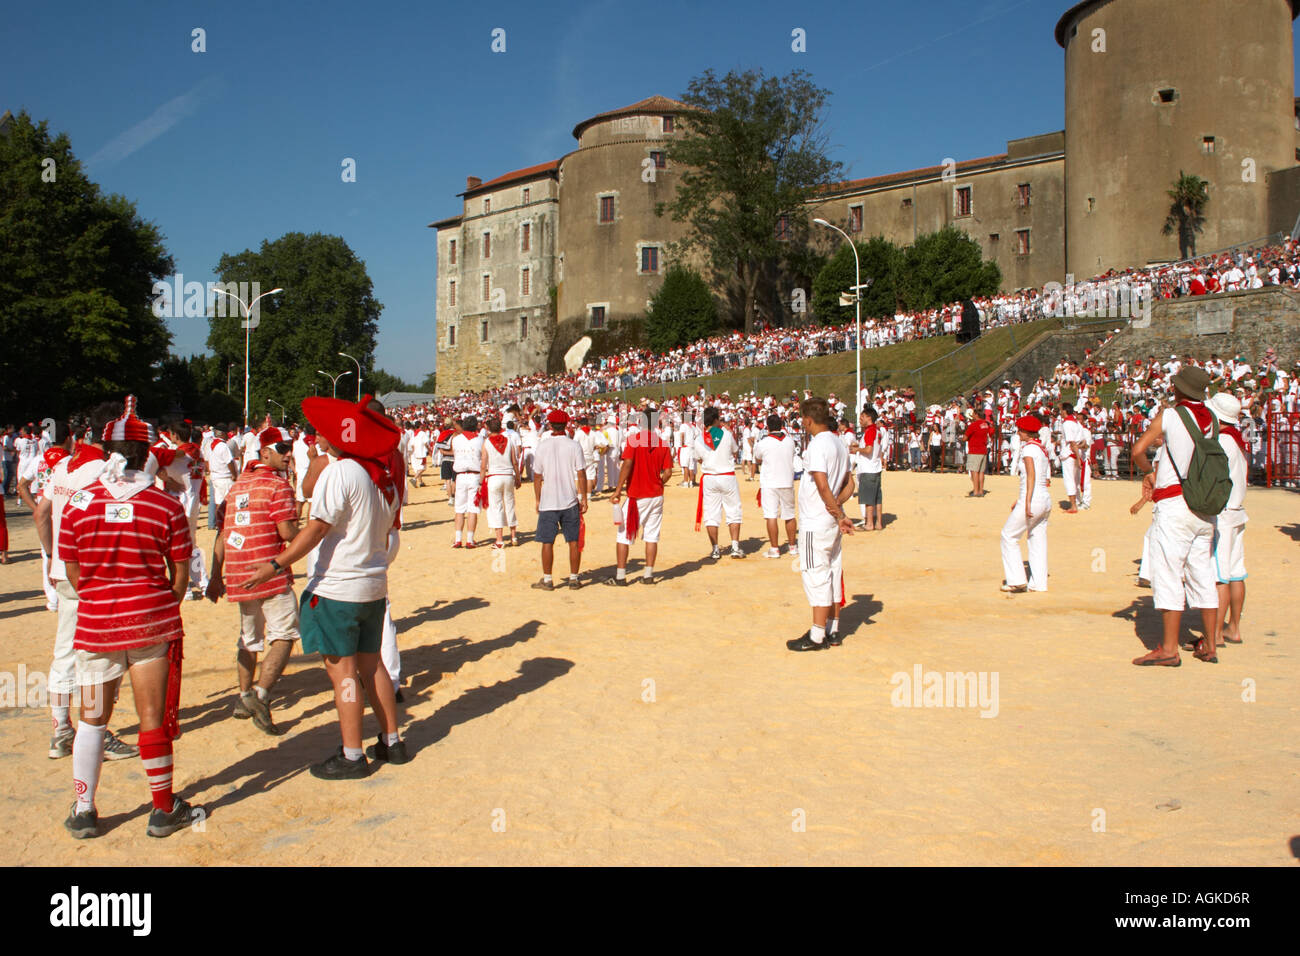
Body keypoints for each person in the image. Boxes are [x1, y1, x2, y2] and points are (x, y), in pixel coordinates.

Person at [241, 394, 407, 777]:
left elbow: (317, 528)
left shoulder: (342, 472)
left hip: (340, 586)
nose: (318, 438)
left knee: (343, 672)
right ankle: (391, 740)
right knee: (373, 665)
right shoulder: (383, 479)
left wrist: (276, 563)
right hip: (372, 584)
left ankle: (352, 754)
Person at [58, 397, 201, 838]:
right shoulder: (164, 506)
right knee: (151, 717)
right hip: (150, 624)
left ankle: (85, 809)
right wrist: (161, 604)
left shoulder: (79, 504)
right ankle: (162, 808)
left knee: (92, 718)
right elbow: (179, 572)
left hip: (97, 625)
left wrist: (102, 598)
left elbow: (73, 569)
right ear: (147, 453)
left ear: (104, 450)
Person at [35, 406, 139, 763]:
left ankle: (62, 730)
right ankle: (94, 731)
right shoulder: (105, 471)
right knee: (96, 657)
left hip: (65, 570)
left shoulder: (64, 465)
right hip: (95, 574)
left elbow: (41, 512)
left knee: (65, 651)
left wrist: (52, 555)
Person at [206, 426, 300, 735]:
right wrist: (308, 535)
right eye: (283, 448)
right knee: (284, 635)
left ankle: (243, 696)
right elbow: (286, 532)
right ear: (265, 453)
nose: (289, 454)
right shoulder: (278, 486)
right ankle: (260, 695)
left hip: (238, 573)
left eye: (290, 448)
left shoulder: (237, 485)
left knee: (248, 638)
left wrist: (215, 576)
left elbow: (222, 534)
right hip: (269, 572)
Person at [1130, 366, 1220, 667]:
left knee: (1168, 572)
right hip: (1204, 507)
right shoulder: (1212, 419)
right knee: (1203, 574)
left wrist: (1149, 473)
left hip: (1175, 504)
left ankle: (1169, 649)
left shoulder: (1171, 415)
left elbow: (1138, 449)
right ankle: (1210, 644)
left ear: (1179, 390)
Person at [787, 397, 855, 652]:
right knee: (833, 572)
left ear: (807, 419)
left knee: (816, 575)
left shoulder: (816, 446)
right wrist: (837, 508)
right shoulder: (839, 442)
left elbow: (822, 484)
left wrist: (836, 512)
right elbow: (850, 483)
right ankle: (833, 628)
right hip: (829, 520)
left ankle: (817, 635)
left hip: (816, 520)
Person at [603, 420, 673, 585]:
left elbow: (627, 464)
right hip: (656, 494)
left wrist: (618, 489)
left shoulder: (634, 440)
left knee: (623, 536)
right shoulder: (662, 443)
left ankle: (620, 576)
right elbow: (668, 472)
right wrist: (659, 483)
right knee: (652, 536)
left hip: (638, 494)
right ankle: (648, 574)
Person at [1207, 392, 1248, 649]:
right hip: (1238, 510)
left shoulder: (1222, 441)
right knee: (1236, 573)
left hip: (1223, 513)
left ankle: (1216, 634)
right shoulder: (1237, 440)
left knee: (1219, 576)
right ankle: (1233, 627)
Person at [531, 409, 588, 590]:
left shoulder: (543, 445)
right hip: (569, 498)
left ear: (550, 425)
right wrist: (584, 497)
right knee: (573, 541)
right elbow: (581, 473)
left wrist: (537, 499)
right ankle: (574, 578)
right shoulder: (573, 445)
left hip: (548, 500)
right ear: (566, 424)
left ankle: (547, 579)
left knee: (547, 542)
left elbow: (538, 475)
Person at [999, 416, 1051, 593]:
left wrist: (1026, 500)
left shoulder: (1029, 449)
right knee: (1037, 539)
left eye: (1020, 430)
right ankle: (1038, 583)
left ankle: (1016, 579)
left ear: (1026, 432)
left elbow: (1030, 476)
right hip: (1044, 498)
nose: (1018, 432)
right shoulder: (1041, 448)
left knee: (1008, 535)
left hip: (1033, 498)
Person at [693, 407, 745, 560]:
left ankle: (715, 549)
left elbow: (699, 458)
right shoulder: (727, 434)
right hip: (727, 475)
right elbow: (735, 451)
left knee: (711, 514)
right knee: (733, 511)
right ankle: (735, 547)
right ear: (716, 420)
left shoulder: (698, 439)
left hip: (710, 476)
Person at [754, 414, 797, 557]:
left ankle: (775, 548)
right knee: (789, 515)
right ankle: (792, 546)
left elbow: (758, 459)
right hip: (786, 480)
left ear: (767, 427)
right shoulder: (790, 441)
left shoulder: (764, 443)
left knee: (771, 515)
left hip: (770, 482)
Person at [480, 416, 521, 548]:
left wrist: (481, 482)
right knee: (510, 504)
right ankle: (514, 536)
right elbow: (514, 461)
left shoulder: (486, 442)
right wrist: (518, 477)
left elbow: (483, 464)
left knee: (496, 507)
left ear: (488, 429)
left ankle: (499, 540)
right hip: (508, 475)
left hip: (494, 476)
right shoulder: (508, 440)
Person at [451, 416, 483, 548]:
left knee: (459, 509)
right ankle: (470, 539)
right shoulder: (480, 440)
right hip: (474, 475)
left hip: (460, 475)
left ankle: (458, 539)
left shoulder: (456, 439)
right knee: (472, 509)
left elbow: (455, 455)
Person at [851, 407, 885, 530]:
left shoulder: (870, 430)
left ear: (869, 417)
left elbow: (868, 450)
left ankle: (869, 523)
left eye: (862, 417)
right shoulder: (877, 431)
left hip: (868, 467)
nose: (860, 420)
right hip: (875, 466)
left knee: (868, 498)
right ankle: (878, 523)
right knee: (877, 497)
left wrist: (857, 449)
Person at [1059, 402, 1086, 513]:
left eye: (1061, 410)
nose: (1060, 412)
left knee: (1069, 479)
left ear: (1065, 411)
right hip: (1075, 452)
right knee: (1075, 480)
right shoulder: (1077, 424)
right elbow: (1083, 441)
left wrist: (1077, 457)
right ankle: (1076, 502)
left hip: (1070, 454)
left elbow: (1072, 442)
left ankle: (1073, 505)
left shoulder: (1067, 424)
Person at [965, 410, 993, 497]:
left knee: (974, 471)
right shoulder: (985, 424)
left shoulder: (973, 425)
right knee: (981, 472)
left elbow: (965, 437)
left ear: (976, 415)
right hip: (983, 449)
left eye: (973, 414)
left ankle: (976, 491)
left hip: (974, 450)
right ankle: (980, 491)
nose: (972, 415)